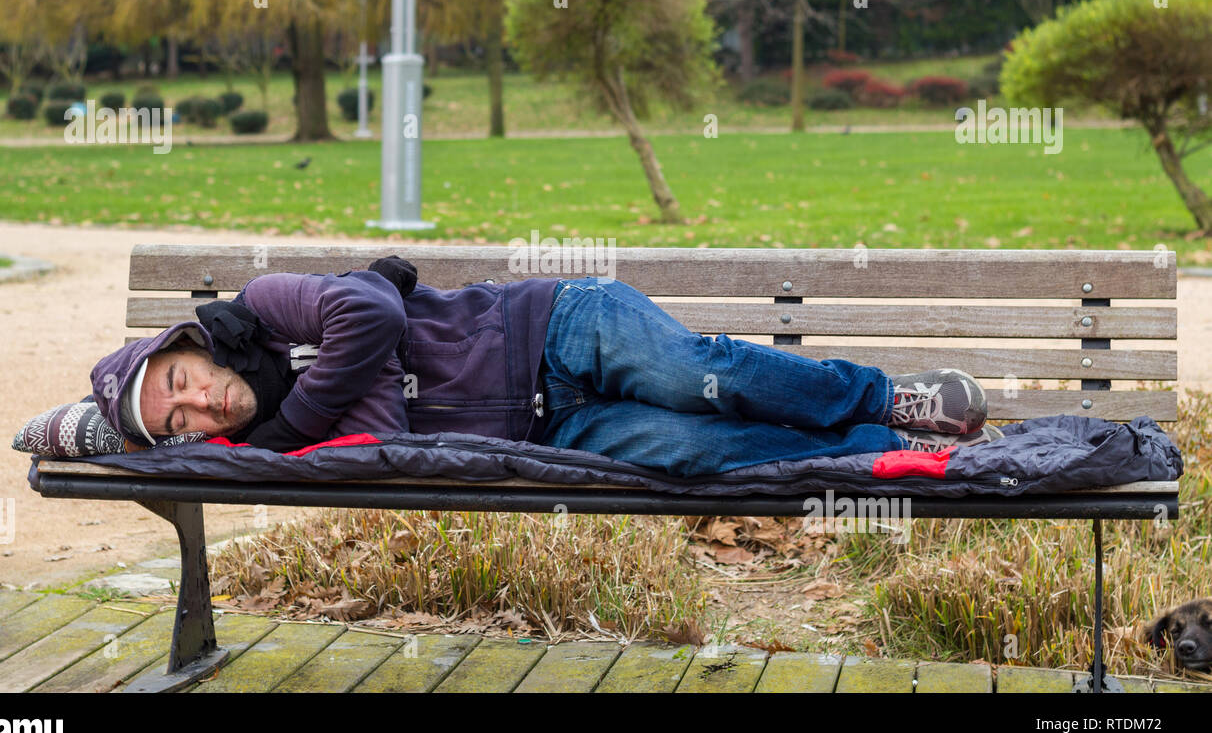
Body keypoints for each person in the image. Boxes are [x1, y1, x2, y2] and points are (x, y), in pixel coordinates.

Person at [90, 257, 1000, 477]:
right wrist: (352, 386)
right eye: (180, 424)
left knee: (692, 373)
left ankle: (886, 395)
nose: (200, 407)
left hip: (554, 326)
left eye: (178, 383)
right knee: (695, 451)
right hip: (546, 429)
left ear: (186, 348)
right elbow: (392, 438)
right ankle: (877, 444)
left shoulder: (259, 305)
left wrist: (300, 418)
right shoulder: (266, 448)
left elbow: (368, 306)